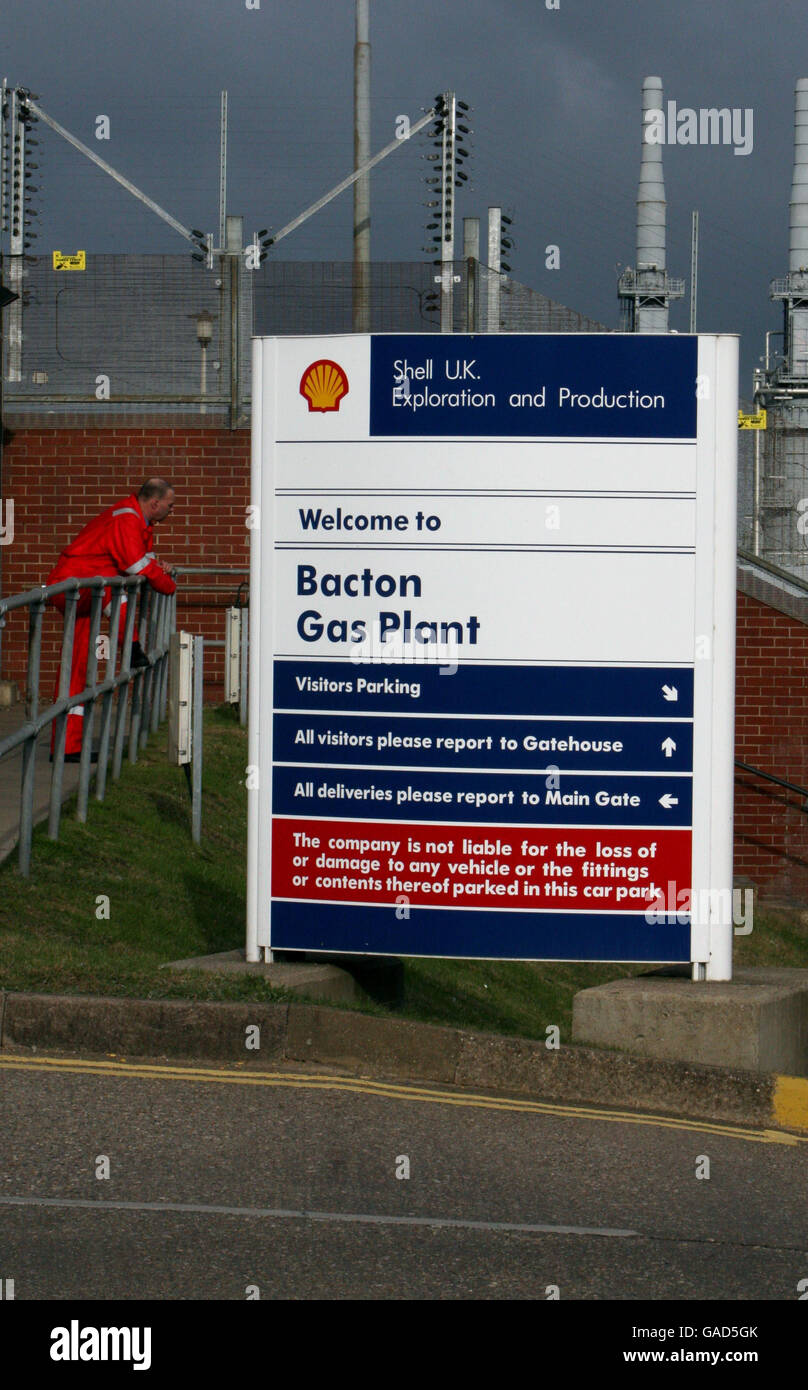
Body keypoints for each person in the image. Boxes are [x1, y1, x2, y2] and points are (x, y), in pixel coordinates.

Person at [47, 478, 177, 760]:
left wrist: (161, 568)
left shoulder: (140, 523)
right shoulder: (128, 519)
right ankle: (130, 648)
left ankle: (67, 747)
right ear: (155, 503)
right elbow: (135, 566)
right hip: (75, 587)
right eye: (170, 506)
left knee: (76, 669)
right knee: (112, 589)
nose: (171, 511)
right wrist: (168, 584)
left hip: (83, 591)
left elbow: (145, 563)